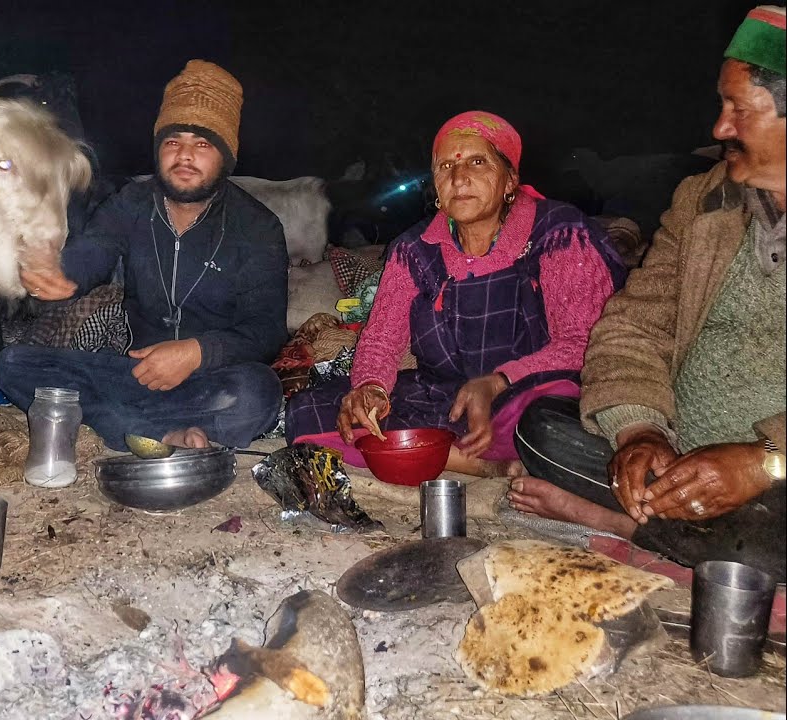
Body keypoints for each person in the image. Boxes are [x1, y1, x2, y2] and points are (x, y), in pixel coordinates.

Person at [508, 6, 786, 581]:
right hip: (679, 459)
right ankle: (679, 525)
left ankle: (630, 525)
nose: (720, 128)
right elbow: (636, 326)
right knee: (540, 430)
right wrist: (640, 431)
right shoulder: (704, 201)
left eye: (739, 109)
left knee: (761, 543)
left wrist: (764, 463)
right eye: (721, 105)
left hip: (774, 479)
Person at [286, 111, 626, 476]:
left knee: (549, 417)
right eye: (445, 166)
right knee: (309, 413)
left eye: (478, 162)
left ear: (510, 179)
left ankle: (453, 451)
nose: (459, 177)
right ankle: (483, 465)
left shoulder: (559, 233)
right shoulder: (414, 249)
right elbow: (383, 339)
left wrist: (498, 382)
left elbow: (584, 343)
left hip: (526, 390)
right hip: (446, 397)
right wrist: (371, 388)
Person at [0, 59, 288, 454]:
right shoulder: (131, 203)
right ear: (158, 149)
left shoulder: (257, 227)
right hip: (134, 373)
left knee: (259, 393)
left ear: (225, 156)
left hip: (214, 378)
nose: (184, 156)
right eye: (172, 141)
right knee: (13, 364)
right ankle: (164, 432)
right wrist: (60, 274)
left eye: (202, 144)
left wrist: (196, 353)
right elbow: (94, 251)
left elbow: (266, 330)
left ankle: (129, 426)